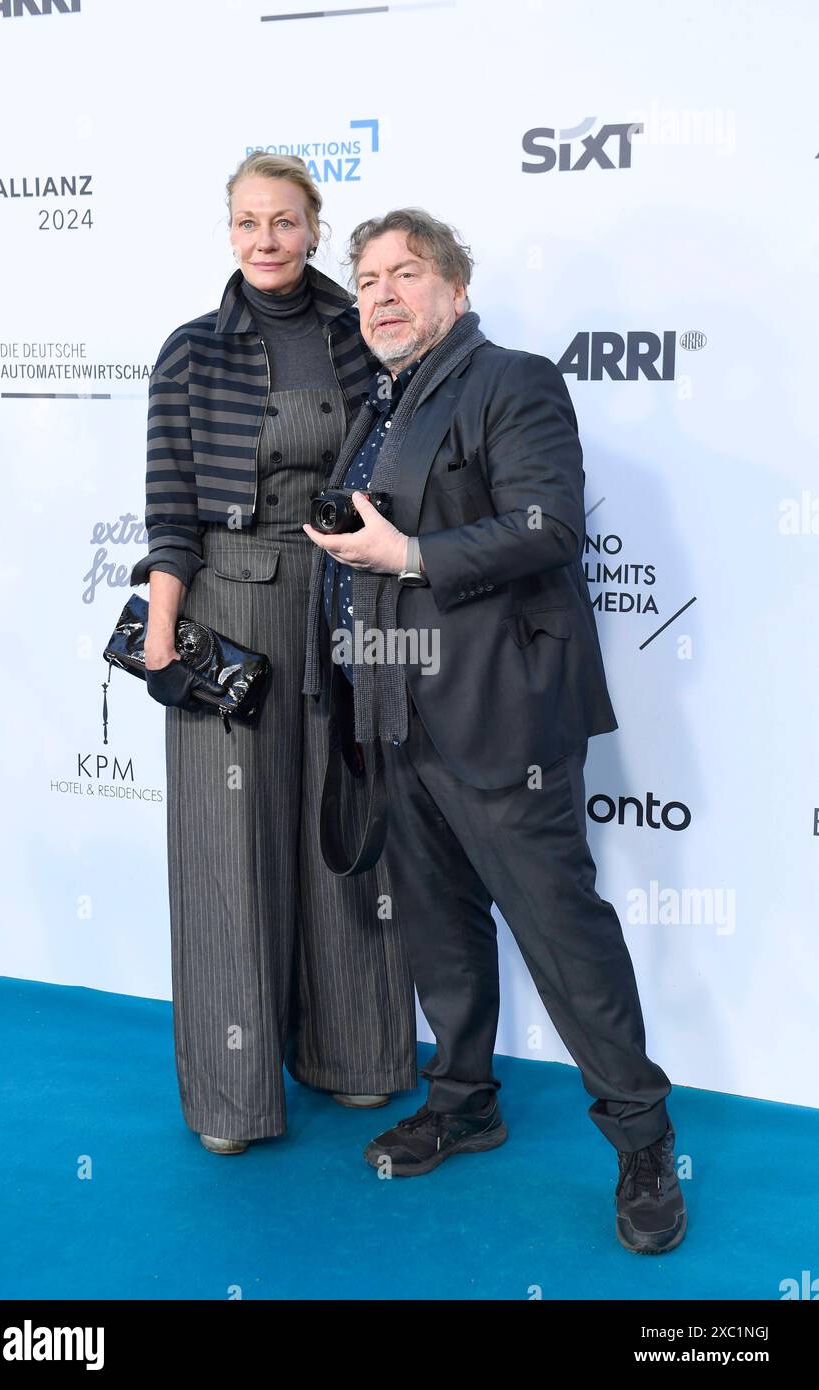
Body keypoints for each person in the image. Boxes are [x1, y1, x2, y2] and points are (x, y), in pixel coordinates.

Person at [302, 208, 687, 1254]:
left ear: (454, 291)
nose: (382, 293)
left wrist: (407, 556)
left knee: (561, 935)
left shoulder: (509, 380)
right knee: (437, 928)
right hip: (392, 709)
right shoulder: (380, 404)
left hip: (498, 712)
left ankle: (644, 1145)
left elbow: (544, 525)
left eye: (406, 274)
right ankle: (464, 1101)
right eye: (368, 277)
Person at [131, 156, 416, 1155]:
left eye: (284, 222)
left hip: (339, 600)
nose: (265, 239)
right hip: (226, 609)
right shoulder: (191, 353)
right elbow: (170, 511)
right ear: (229, 231)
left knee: (343, 825)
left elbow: (406, 460)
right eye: (247, 221)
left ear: (311, 227)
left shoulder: (361, 337)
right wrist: (161, 632)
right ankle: (233, 1095)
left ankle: (359, 1054)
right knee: (227, 851)